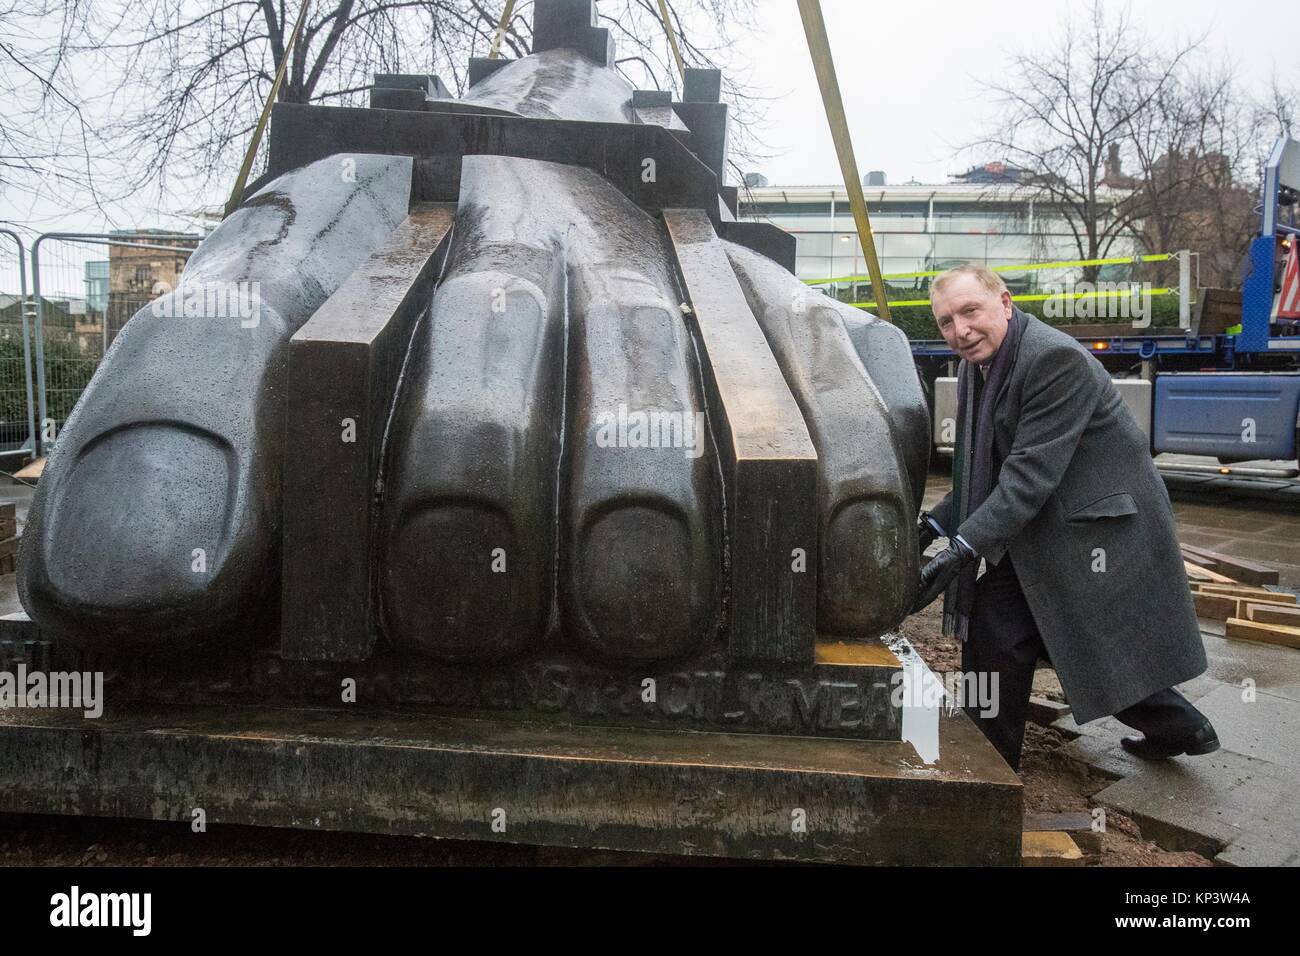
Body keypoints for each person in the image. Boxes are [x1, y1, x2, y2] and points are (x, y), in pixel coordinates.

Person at [911, 264, 1218, 770]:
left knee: (1074, 634)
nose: (960, 330)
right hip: (1045, 518)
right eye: (946, 321)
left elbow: (1026, 476)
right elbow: (981, 468)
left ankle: (988, 765)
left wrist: (962, 548)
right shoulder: (976, 366)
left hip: (1097, 527)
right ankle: (1181, 726)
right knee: (1025, 632)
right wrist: (932, 525)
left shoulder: (1053, 360)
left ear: (1004, 303)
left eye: (970, 311)